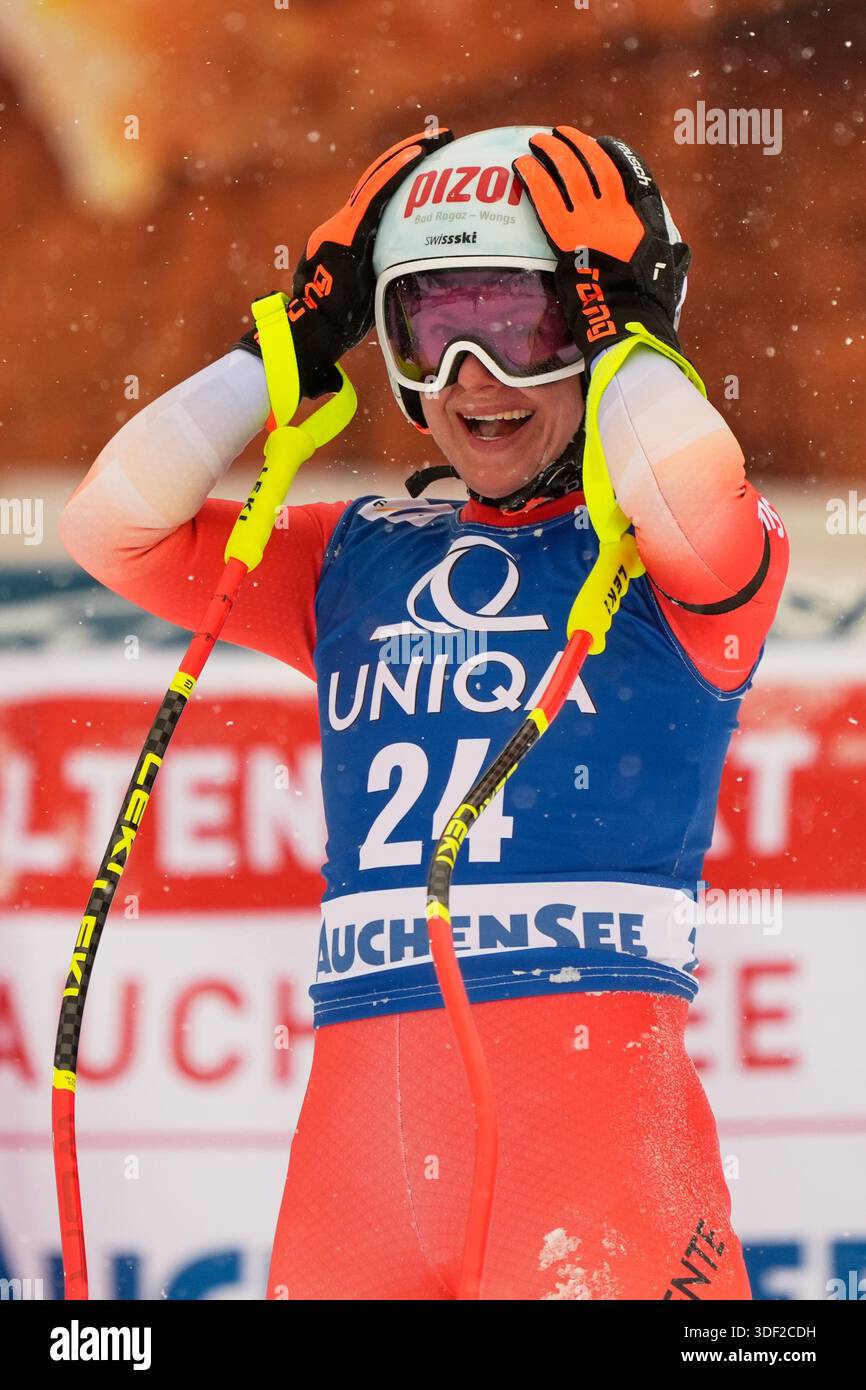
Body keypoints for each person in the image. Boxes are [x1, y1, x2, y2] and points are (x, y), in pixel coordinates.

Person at [60, 124, 789, 1300]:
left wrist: (630, 332)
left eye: (517, 325)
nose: (469, 377)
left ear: (596, 330)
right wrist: (291, 339)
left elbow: (683, 480)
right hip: (357, 1172)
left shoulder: (674, 568)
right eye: (427, 325)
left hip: (593, 1170)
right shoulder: (354, 554)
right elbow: (111, 528)